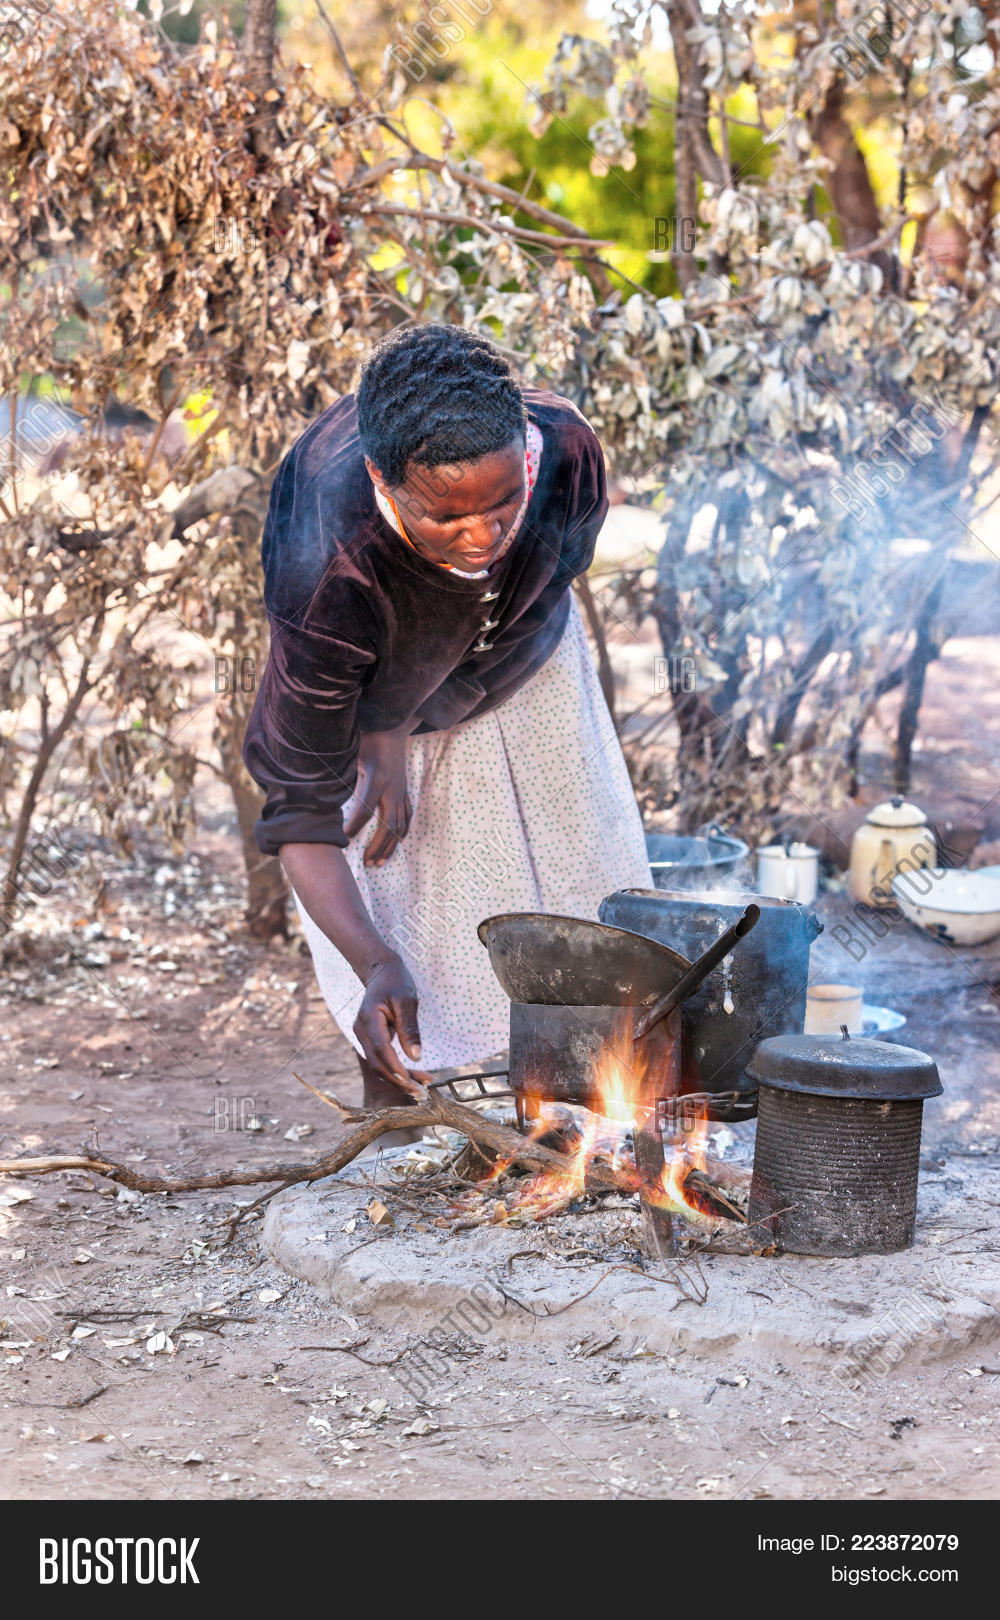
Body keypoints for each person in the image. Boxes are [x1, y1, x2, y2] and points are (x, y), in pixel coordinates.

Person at [243, 323, 651, 1121]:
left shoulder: (567, 455)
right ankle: (399, 1114)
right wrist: (375, 962)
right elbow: (301, 812)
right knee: (403, 889)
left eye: (503, 503)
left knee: (576, 872)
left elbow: (548, 586)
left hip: (524, 672)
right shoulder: (327, 577)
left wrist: (406, 713)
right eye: (445, 518)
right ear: (383, 480)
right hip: (370, 686)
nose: (483, 537)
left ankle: (579, 1111)